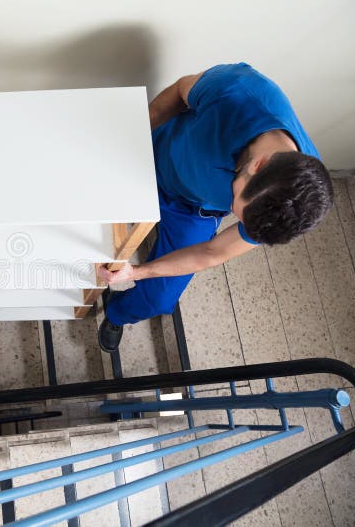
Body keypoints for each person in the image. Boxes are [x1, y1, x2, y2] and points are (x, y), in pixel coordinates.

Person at [97, 62, 333, 352]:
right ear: (258, 164)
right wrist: (134, 135)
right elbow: (180, 91)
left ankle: (116, 314)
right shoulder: (238, 89)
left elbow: (212, 252)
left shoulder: (287, 206)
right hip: (152, 155)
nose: (231, 212)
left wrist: (135, 272)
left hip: (193, 210)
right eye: (234, 202)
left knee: (159, 299)